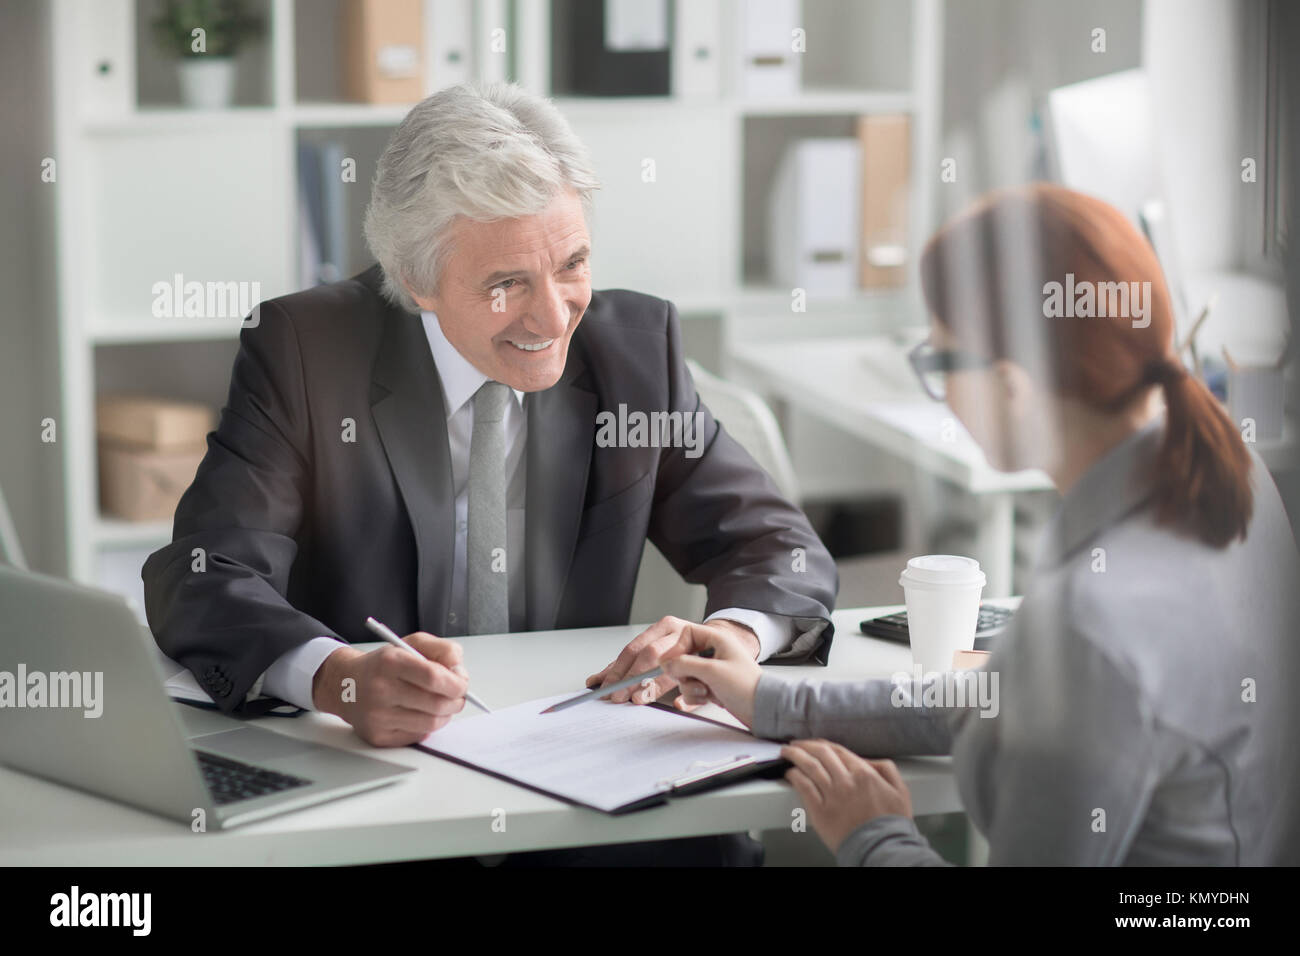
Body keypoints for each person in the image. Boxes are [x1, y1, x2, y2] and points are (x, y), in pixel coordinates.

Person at [141, 83, 836, 865]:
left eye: (572, 265)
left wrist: (727, 638)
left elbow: (781, 548)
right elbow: (202, 573)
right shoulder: (306, 350)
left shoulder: (633, 348)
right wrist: (335, 677)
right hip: (388, 799)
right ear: (416, 279)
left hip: (587, 794)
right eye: (507, 285)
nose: (553, 317)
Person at [662, 183, 1300, 865]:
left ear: (1011, 384)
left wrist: (873, 835)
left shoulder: (1093, 621)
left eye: (939, 363)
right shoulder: (1228, 471)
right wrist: (772, 702)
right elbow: (1015, 698)